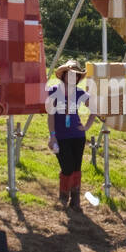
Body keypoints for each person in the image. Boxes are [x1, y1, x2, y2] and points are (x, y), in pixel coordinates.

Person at [47, 61, 95, 210]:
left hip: (77, 135)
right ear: (64, 75)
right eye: (70, 74)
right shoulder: (53, 91)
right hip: (60, 136)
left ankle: (75, 200)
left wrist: (86, 126)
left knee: (76, 167)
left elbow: (95, 108)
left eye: (76, 75)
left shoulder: (80, 93)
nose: (73, 77)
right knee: (67, 166)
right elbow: (50, 115)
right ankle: (63, 196)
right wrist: (52, 135)